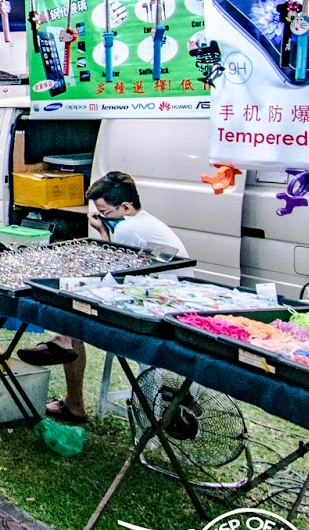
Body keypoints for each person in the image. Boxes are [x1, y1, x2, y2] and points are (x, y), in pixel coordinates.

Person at [18, 171, 188, 426]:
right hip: (157, 296)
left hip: (157, 307)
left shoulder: (129, 228)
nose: (102, 217)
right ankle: (63, 348)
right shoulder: (142, 222)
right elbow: (115, 263)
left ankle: (63, 352)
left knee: (69, 306)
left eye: (105, 212)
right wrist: (101, 228)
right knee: (72, 309)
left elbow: (109, 276)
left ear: (126, 207)